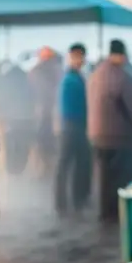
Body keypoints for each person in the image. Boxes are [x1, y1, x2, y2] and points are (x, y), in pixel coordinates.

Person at [87, 39, 132, 222]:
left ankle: (105, 213)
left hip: (97, 136)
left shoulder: (95, 75)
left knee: (104, 178)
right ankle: (118, 215)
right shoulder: (124, 78)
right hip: (121, 138)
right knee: (122, 179)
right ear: (122, 55)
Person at [55, 43, 92, 216]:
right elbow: (71, 107)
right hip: (72, 125)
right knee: (66, 165)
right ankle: (63, 204)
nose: (79, 60)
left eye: (81, 57)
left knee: (78, 164)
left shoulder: (76, 77)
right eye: (76, 57)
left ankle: (77, 201)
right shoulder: (70, 79)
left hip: (75, 125)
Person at [28, 46, 63, 178]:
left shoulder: (38, 72)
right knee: (42, 144)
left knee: (44, 144)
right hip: (44, 115)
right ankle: (42, 171)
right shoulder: (40, 73)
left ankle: (44, 171)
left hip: (46, 115)